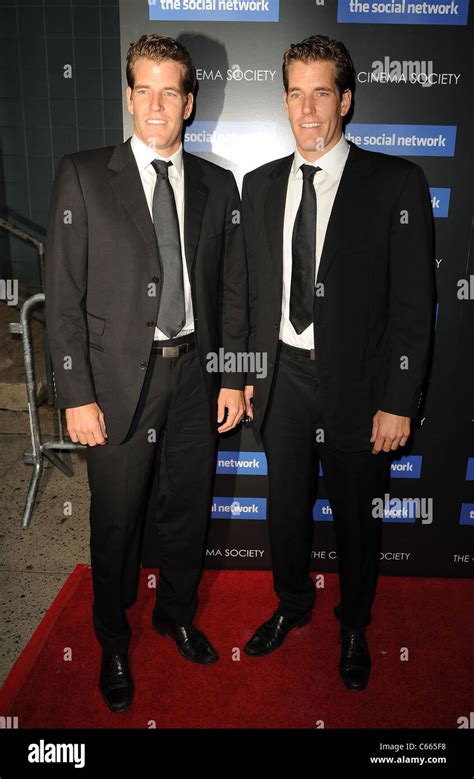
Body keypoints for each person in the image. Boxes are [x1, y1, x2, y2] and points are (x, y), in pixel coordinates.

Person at [45, 34, 247, 712]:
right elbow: (64, 297)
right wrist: (75, 395)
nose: (156, 103)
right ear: (129, 95)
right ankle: (111, 637)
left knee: (188, 511)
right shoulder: (82, 174)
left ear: (189, 104)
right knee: (117, 522)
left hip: (196, 376)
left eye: (171, 91)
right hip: (115, 384)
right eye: (144, 89)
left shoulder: (219, 185)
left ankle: (177, 614)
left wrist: (231, 376)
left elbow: (233, 292)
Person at [241, 35, 434, 690]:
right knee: (285, 512)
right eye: (296, 93)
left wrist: (400, 399)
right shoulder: (260, 183)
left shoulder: (395, 183)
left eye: (322, 92)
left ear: (345, 100)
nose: (308, 109)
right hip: (283, 380)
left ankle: (354, 622)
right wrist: (242, 374)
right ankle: (293, 604)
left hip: (360, 386)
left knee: (357, 517)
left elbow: (414, 304)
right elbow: (250, 292)